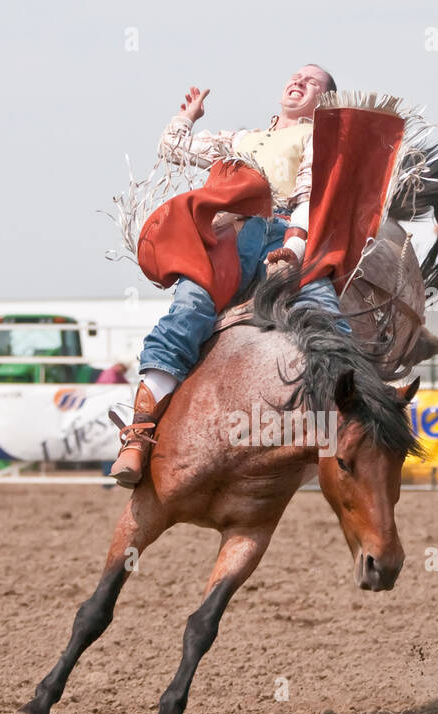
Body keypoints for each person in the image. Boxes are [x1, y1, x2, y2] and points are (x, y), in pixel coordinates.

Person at [111, 65, 345, 486]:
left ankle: (354, 421)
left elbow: (311, 193)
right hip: (235, 230)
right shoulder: (242, 139)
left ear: (324, 100)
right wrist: (187, 118)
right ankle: (139, 434)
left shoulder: (317, 137)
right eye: (295, 76)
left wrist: (293, 245)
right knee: (190, 306)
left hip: (287, 228)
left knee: (325, 312)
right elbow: (172, 147)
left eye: (312, 82)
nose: (298, 81)